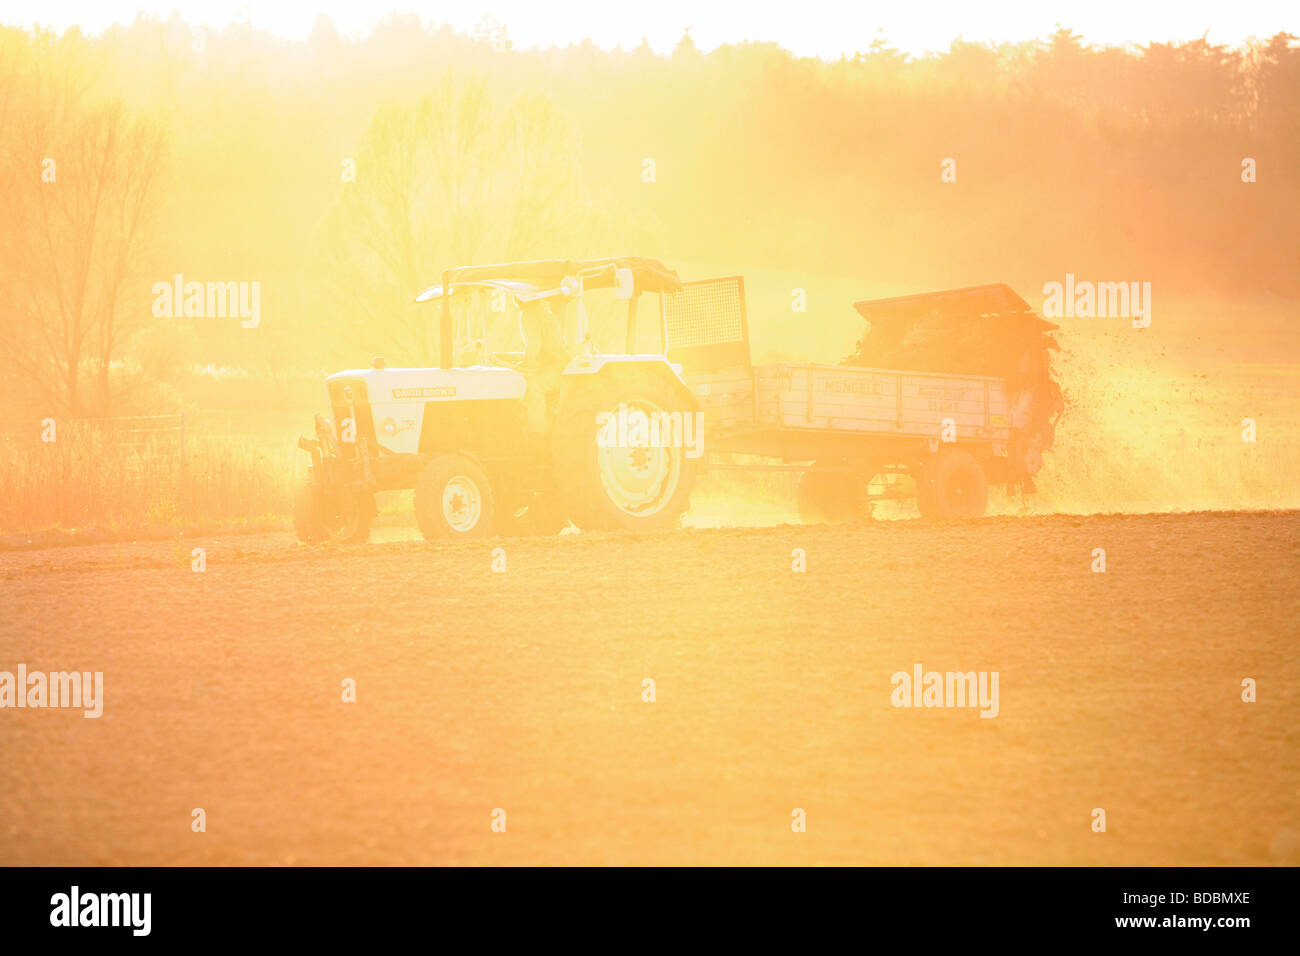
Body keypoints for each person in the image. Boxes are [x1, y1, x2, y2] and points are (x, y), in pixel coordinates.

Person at [518, 297, 572, 437]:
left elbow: (533, 345)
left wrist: (525, 364)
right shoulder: (544, 312)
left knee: (533, 387)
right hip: (557, 364)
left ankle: (536, 434)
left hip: (558, 368)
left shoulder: (528, 313)